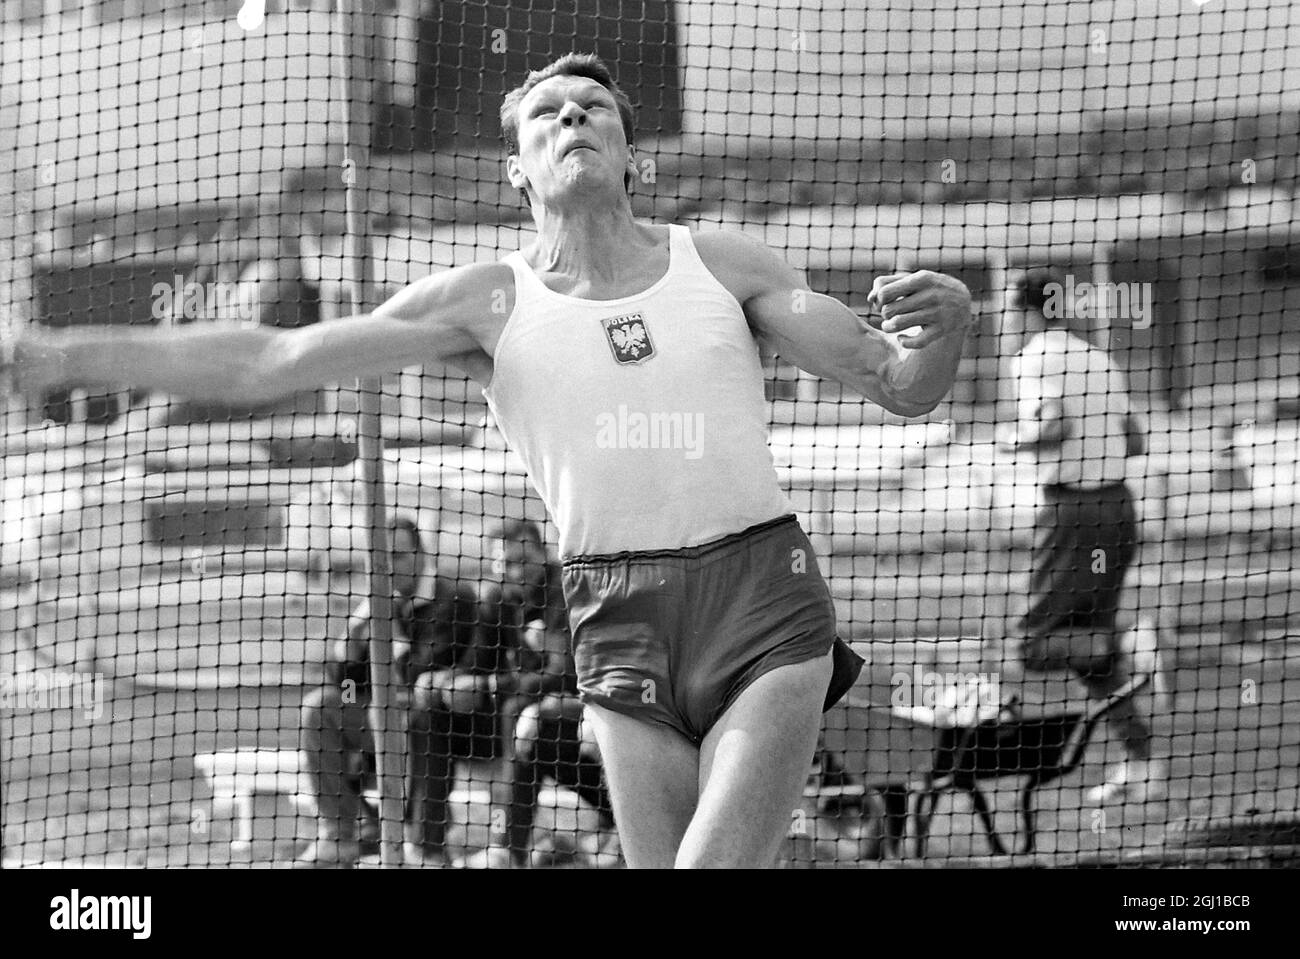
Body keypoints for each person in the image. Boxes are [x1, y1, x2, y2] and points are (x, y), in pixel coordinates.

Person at [5, 53, 973, 867]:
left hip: (764, 600)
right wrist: (64, 355)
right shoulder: (487, 302)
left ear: (630, 155)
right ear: (518, 171)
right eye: (548, 113)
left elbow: (898, 382)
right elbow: (273, 359)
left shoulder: (725, 264)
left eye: (593, 107)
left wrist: (952, 327)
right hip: (615, 615)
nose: (572, 117)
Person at [996, 269, 1167, 804]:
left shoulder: (1032, 359)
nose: (1004, 320)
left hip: (1075, 516)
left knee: (1031, 646)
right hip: (1118, 509)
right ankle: (1140, 765)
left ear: (1024, 311)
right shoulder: (1099, 356)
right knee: (1091, 663)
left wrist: (1013, 442)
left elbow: (1056, 427)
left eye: (1007, 308)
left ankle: (1130, 645)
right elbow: (1135, 440)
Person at [297, 515, 479, 868]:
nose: (389, 567)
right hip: (379, 714)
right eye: (380, 560)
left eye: (398, 556)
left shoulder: (453, 597)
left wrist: (389, 631)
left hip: (441, 718)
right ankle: (342, 836)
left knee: (419, 717)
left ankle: (423, 843)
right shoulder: (377, 603)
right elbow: (346, 684)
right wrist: (350, 645)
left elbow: (422, 673)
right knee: (322, 708)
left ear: (421, 553)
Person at [453, 518, 617, 869]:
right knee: (442, 709)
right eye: (505, 563)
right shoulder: (497, 599)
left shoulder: (565, 588)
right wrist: (448, 684)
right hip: (520, 719)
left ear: (543, 554)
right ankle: (421, 842)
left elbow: (566, 674)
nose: (515, 571)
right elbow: (477, 662)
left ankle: (507, 847)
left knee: (520, 713)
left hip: (589, 721)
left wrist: (497, 688)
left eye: (523, 560)